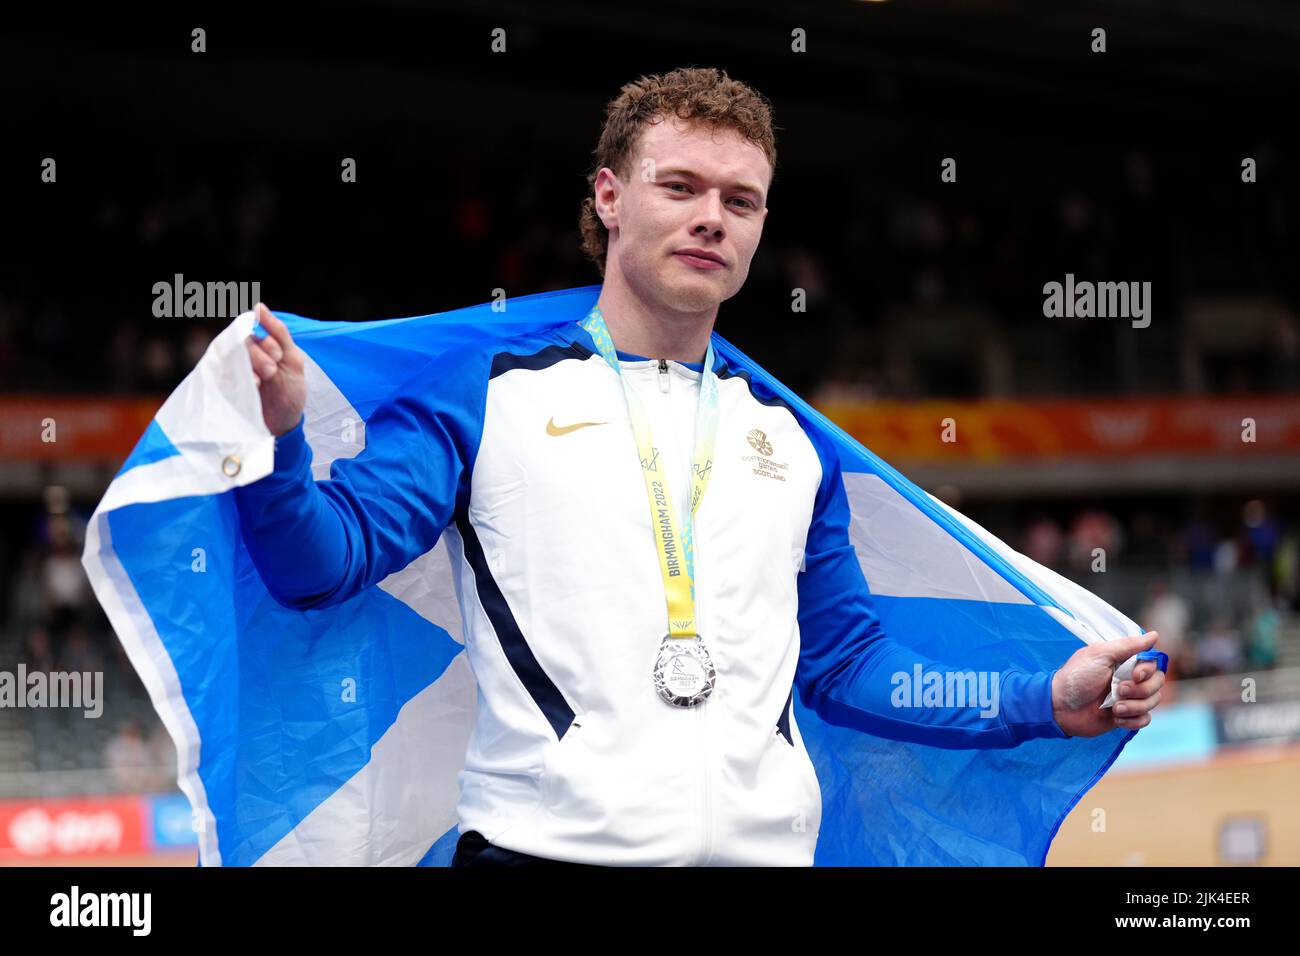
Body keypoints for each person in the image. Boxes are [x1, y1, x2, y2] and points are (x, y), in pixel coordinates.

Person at [232, 67, 1164, 867]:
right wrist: (277, 445)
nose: (711, 219)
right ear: (608, 197)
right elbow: (319, 565)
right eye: (679, 187)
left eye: (741, 200)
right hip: (545, 857)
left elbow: (848, 665)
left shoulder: (793, 443)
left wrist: (1037, 697)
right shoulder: (480, 396)